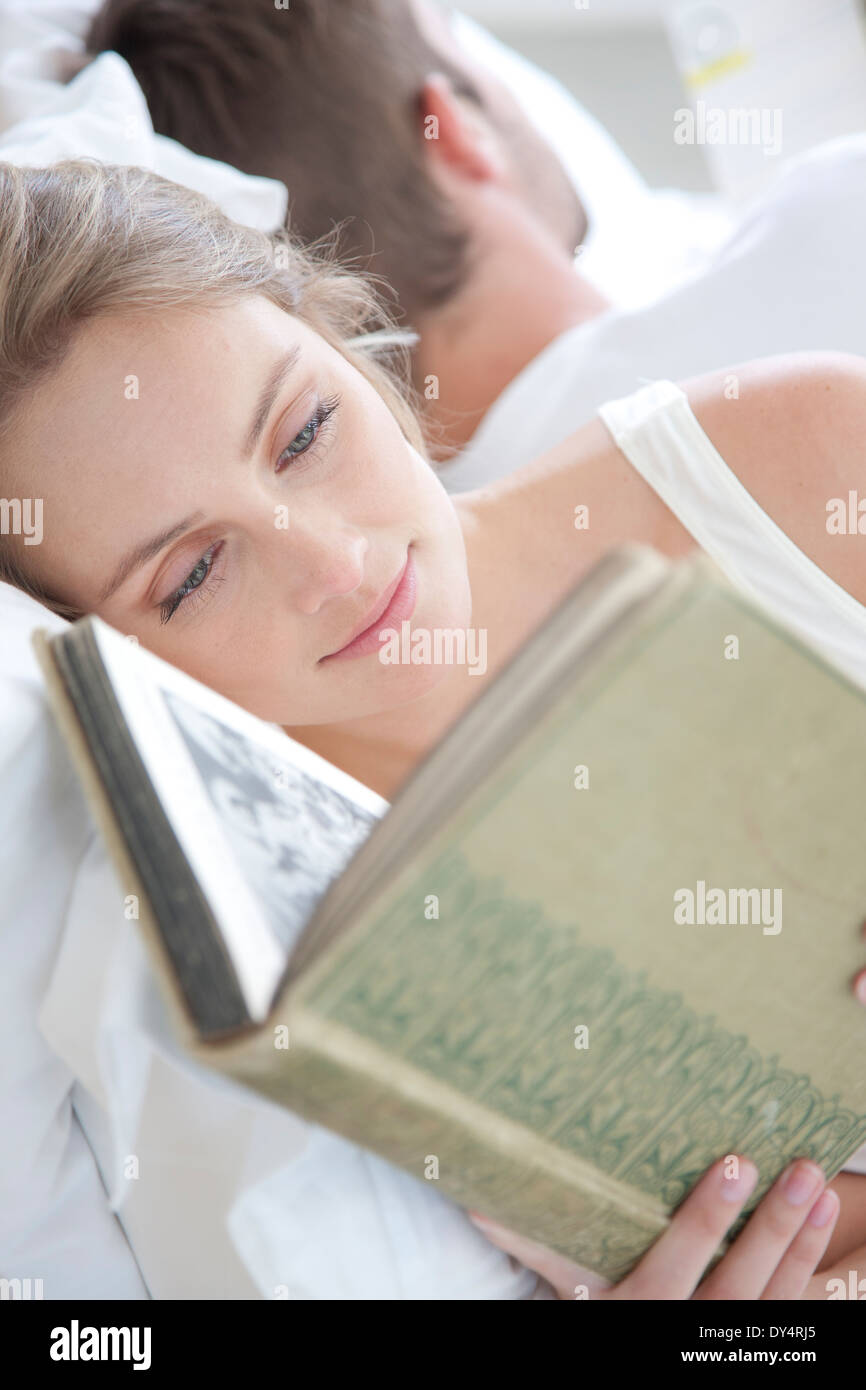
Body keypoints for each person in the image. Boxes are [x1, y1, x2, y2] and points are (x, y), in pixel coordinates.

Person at [4, 158, 866, 1297]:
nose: (337, 565)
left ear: (336, 332)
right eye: (196, 570)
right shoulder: (304, 951)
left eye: (305, 432)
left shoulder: (796, 458)